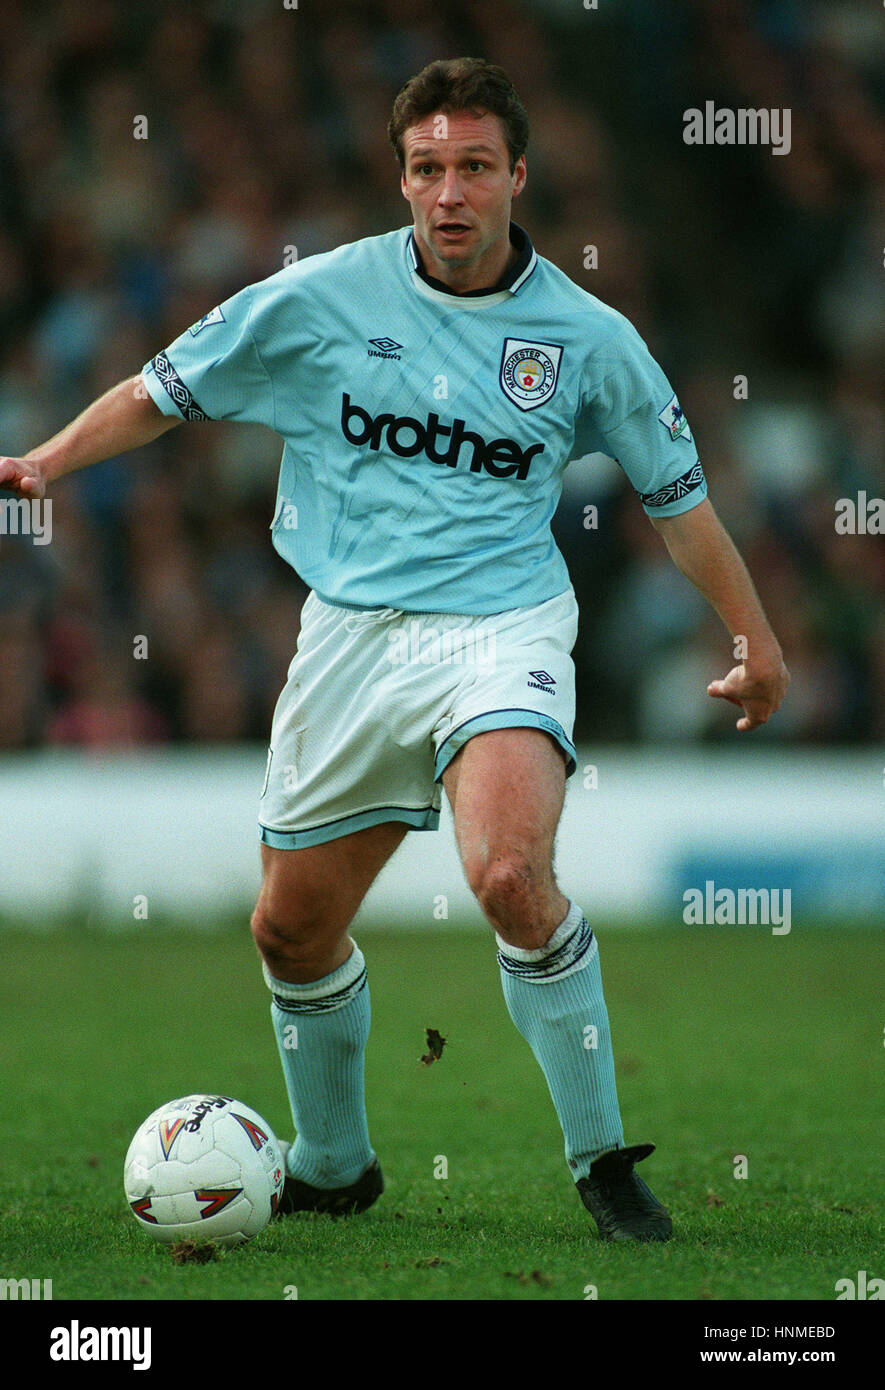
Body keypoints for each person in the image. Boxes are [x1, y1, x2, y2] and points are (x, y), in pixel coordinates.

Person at [1, 57, 789, 1242]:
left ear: (518, 175)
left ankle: (602, 1164)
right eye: (429, 168)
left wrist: (757, 637)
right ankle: (334, 1162)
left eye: (476, 166)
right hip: (350, 638)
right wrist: (47, 462)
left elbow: (681, 504)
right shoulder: (320, 297)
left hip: (504, 626)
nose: (451, 192)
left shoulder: (589, 339)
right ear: (403, 178)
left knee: (510, 875)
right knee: (289, 930)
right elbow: (164, 388)